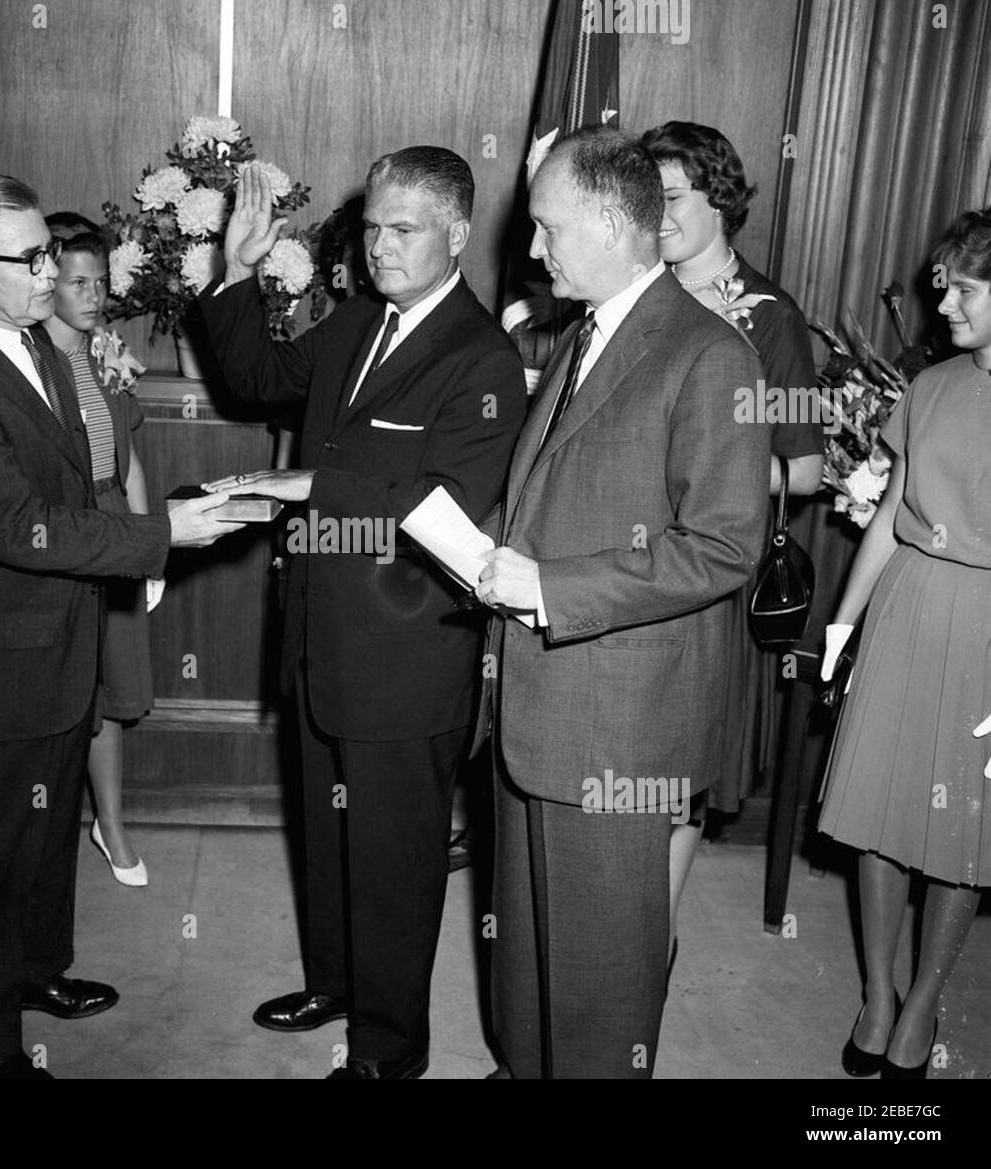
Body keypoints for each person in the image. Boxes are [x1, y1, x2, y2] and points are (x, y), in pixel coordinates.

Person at [0, 172, 241, 1079]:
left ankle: (37, 973)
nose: (52, 270)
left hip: (54, 643)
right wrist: (161, 531)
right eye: (33, 256)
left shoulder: (30, 343)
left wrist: (152, 517)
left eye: (51, 250)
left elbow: (75, 484)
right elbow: (18, 526)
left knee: (44, 838)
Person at [200, 148, 527, 1078]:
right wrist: (237, 272)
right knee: (328, 831)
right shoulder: (355, 322)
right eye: (370, 228)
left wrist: (314, 481)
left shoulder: (482, 357)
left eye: (402, 230)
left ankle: (388, 1052)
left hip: (405, 651)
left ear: (457, 235)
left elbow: (449, 504)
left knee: (391, 861)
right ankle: (336, 983)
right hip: (317, 631)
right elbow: (257, 378)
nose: (377, 248)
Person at [474, 127, 770, 1078]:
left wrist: (550, 588)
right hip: (539, 701)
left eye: (549, 227)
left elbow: (726, 544)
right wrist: (474, 542)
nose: (533, 248)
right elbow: (552, 491)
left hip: (618, 730)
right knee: (525, 954)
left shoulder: (710, 357)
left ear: (610, 224)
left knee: (601, 983)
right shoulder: (586, 334)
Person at [640, 121, 825, 959]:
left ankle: (652, 949)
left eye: (672, 197)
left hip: (709, 575)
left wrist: (709, 477)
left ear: (721, 200)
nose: (657, 214)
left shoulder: (769, 319)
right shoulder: (640, 294)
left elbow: (810, 471)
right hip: (630, 569)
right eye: (648, 199)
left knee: (675, 781)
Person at [818, 208, 991, 1079]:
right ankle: (878, 991)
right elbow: (889, 513)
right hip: (910, 605)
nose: (942, 301)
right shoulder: (931, 387)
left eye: (964, 287)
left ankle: (925, 996)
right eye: (943, 282)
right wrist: (844, 627)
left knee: (963, 827)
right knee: (877, 814)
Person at [42, 217, 154, 885]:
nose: (92, 294)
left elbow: (130, 458)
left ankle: (109, 823)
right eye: (76, 281)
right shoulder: (29, 358)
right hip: (60, 527)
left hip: (113, 520)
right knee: (64, 690)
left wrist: (147, 545)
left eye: (100, 281)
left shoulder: (105, 353)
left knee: (109, 688)